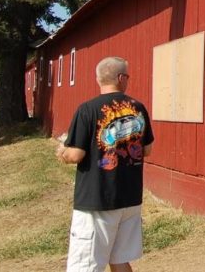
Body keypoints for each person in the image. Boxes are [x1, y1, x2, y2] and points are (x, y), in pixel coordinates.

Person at [56, 56, 154, 272]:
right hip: (130, 198)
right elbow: (146, 149)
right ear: (120, 78)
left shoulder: (87, 110)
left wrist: (62, 151)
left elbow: (76, 155)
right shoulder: (138, 108)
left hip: (97, 200)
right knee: (119, 260)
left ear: (99, 79)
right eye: (127, 76)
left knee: (85, 265)